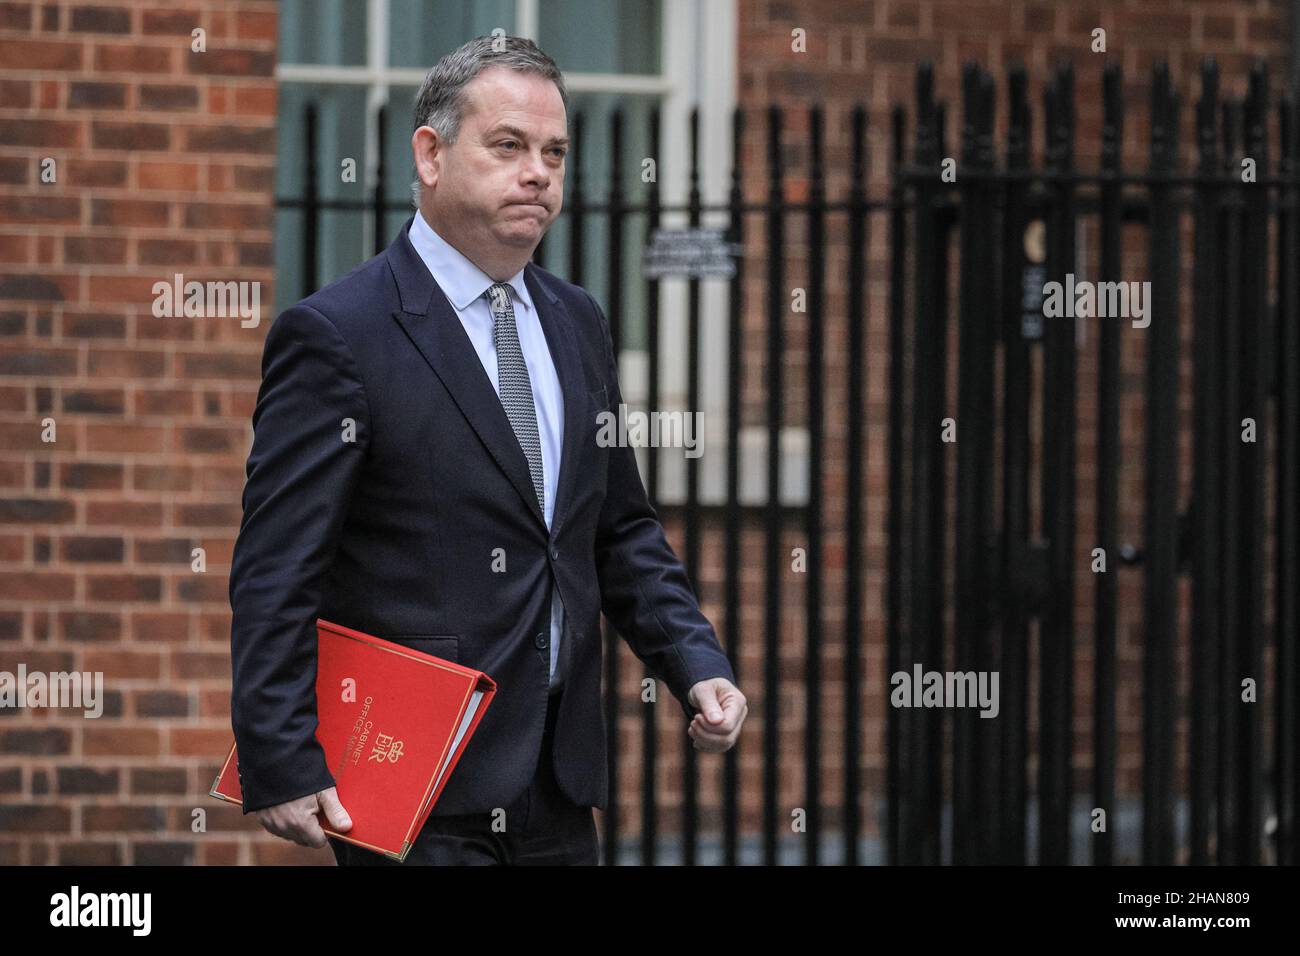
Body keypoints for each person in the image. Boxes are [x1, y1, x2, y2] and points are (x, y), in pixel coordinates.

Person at [227, 35, 747, 865]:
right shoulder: (338, 336)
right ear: (430, 155)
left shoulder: (579, 323)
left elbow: (619, 529)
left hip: (558, 779)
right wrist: (279, 751)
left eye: (554, 152)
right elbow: (276, 568)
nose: (538, 172)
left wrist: (695, 661)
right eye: (507, 145)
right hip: (411, 788)